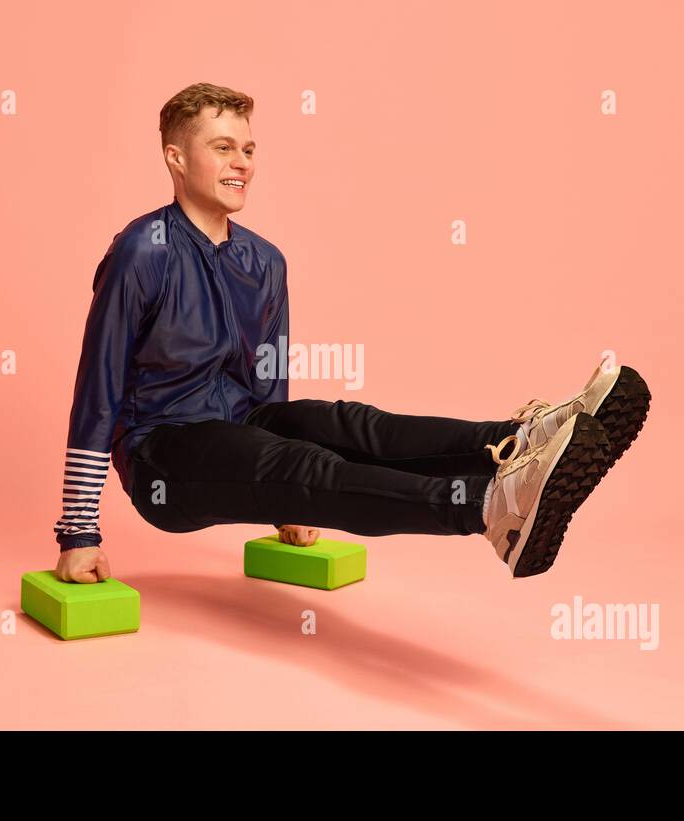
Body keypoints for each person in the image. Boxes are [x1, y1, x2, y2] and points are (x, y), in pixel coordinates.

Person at [52, 82, 651, 583]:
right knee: (302, 460)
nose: (242, 163)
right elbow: (97, 390)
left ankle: (522, 438)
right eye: (224, 147)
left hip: (240, 430)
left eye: (250, 149)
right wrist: (79, 530)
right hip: (165, 456)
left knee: (350, 425)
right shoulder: (141, 251)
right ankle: (490, 508)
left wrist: (281, 498)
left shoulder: (266, 261)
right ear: (176, 159)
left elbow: (269, 393)